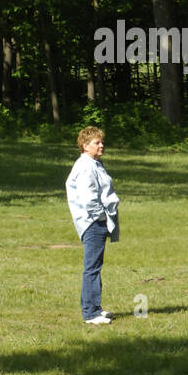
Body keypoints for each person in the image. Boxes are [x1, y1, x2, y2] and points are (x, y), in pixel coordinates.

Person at [66, 125, 120, 325]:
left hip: (96, 221)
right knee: (92, 267)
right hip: (92, 222)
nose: (101, 145)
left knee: (95, 265)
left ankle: (94, 307)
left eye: (102, 142)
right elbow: (89, 198)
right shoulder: (86, 166)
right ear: (84, 146)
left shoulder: (94, 163)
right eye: (97, 142)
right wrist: (101, 218)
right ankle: (90, 313)